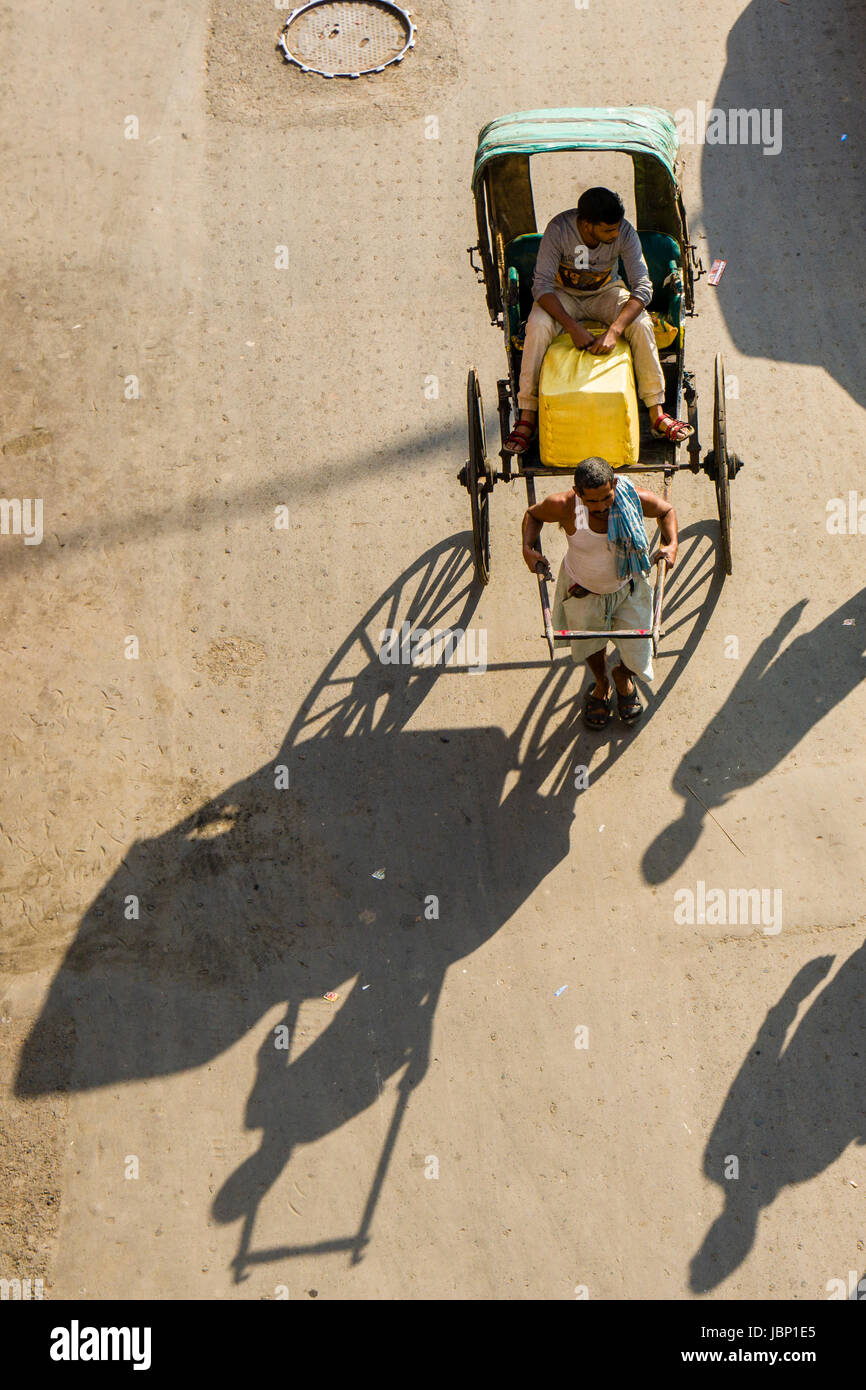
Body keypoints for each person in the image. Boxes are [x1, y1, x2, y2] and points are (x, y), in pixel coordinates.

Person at [504, 187, 692, 453]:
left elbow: (642, 288)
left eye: (616, 229)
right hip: (562, 295)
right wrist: (572, 327)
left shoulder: (624, 231)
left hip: (607, 292)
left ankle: (656, 412)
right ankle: (527, 416)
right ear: (586, 224)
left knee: (641, 324)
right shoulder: (558, 229)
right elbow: (542, 287)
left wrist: (615, 330)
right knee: (536, 325)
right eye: (607, 231)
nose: (614, 235)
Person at [521, 455, 677, 728]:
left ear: (614, 484)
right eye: (591, 501)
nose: (602, 507)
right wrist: (527, 548)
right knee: (591, 644)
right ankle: (602, 683)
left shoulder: (632, 498)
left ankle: (622, 675)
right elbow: (533, 515)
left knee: (641, 650)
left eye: (606, 497)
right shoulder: (564, 506)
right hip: (583, 589)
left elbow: (666, 511)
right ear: (577, 492)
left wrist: (672, 545)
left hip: (628, 586)